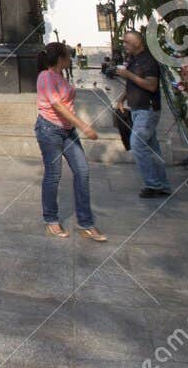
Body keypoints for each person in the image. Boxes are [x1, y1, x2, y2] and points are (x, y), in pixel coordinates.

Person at [35, 41, 106, 241]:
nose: (70, 58)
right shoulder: (45, 76)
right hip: (50, 130)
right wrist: (84, 126)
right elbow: (57, 105)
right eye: (68, 55)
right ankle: (51, 219)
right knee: (53, 175)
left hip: (67, 130)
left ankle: (86, 222)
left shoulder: (59, 76)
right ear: (60, 59)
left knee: (82, 171)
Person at [108, 30, 169, 197]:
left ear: (137, 43)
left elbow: (151, 86)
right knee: (152, 148)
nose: (124, 45)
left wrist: (128, 74)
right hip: (137, 108)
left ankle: (153, 185)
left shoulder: (148, 60)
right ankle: (162, 185)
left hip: (147, 109)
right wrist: (121, 99)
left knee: (137, 144)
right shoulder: (134, 60)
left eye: (127, 42)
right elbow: (132, 84)